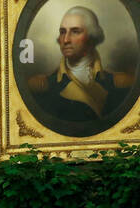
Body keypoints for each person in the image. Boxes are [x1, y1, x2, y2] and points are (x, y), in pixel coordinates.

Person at [26, 6, 134, 134]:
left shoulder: (120, 83)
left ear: (91, 37)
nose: (65, 40)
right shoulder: (42, 86)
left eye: (75, 31)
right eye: (62, 32)